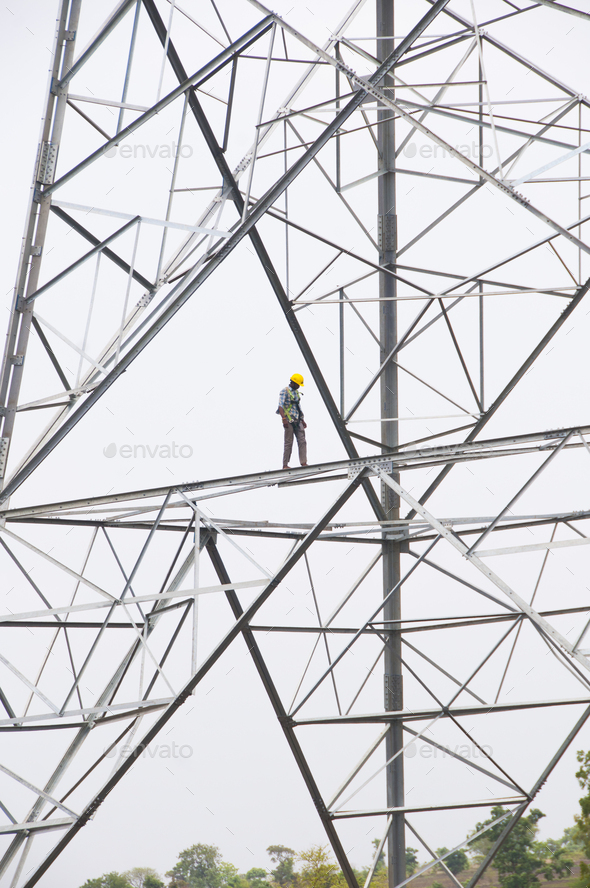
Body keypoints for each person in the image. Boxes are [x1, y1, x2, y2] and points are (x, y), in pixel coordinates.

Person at [278, 373, 308, 469]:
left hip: (297, 419)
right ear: (293, 383)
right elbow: (280, 406)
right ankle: (285, 465)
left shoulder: (295, 393)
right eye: (298, 384)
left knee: (302, 441)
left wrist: (302, 420)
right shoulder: (285, 391)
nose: (299, 387)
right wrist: (283, 419)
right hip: (289, 420)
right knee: (288, 442)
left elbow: (297, 407)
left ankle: (303, 462)